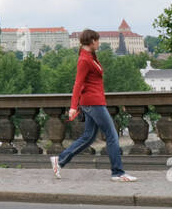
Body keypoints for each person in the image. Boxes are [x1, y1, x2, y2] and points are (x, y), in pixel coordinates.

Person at [51, 29, 137, 182]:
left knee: (88, 137)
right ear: (91, 41)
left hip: (92, 102)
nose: (99, 43)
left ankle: (60, 160)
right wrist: (72, 107)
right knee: (112, 135)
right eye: (97, 40)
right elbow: (78, 83)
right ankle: (117, 172)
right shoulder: (84, 60)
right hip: (93, 103)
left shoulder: (89, 56)